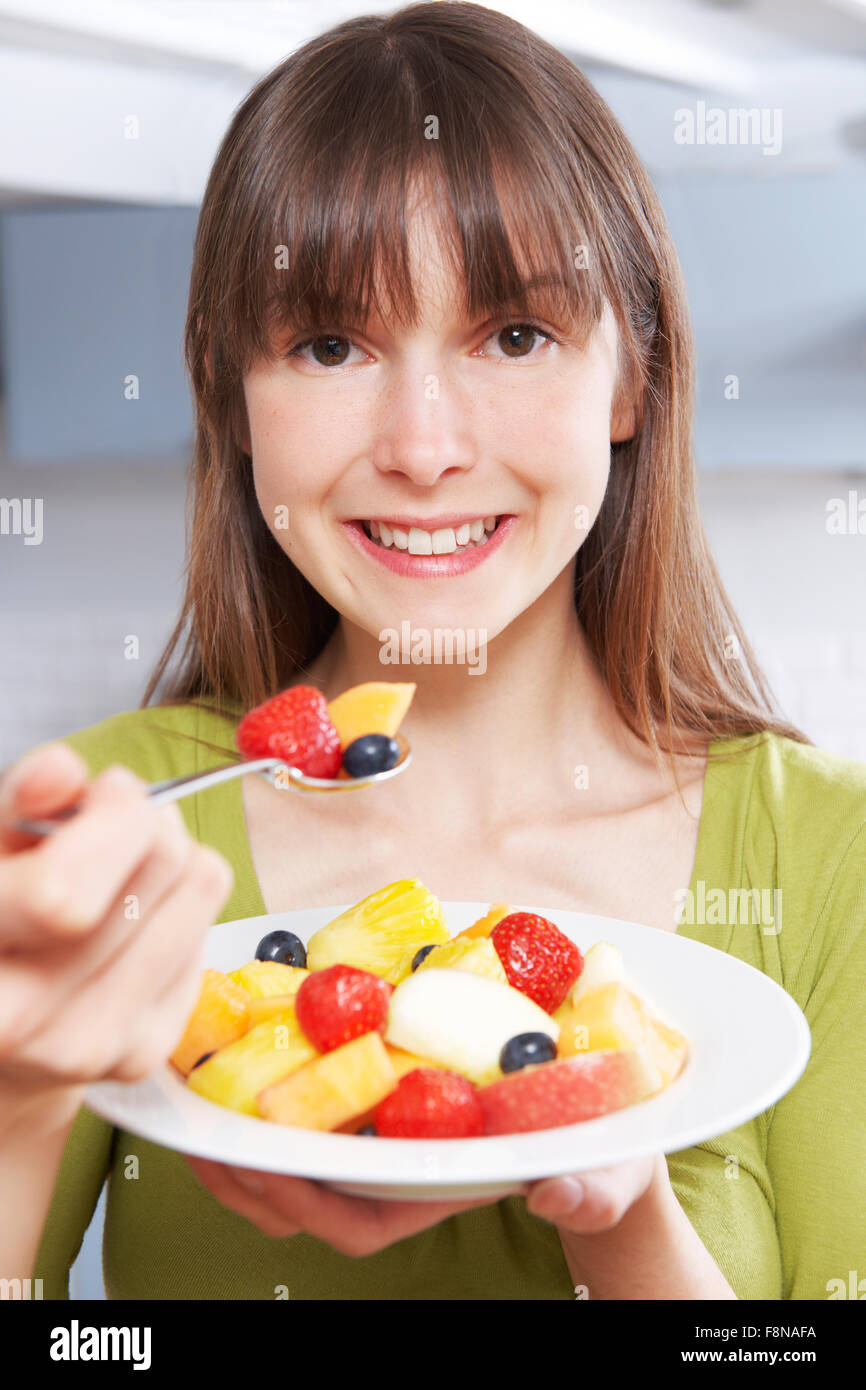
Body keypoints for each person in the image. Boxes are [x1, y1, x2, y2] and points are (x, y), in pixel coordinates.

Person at [2, 2, 864, 1301]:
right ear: (233, 397)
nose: (420, 447)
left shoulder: (827, 859)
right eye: (329, 344)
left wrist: (621, 1213)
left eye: (513, 335)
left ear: (632, 378)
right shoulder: (111, 839)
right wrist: (16, 1095)